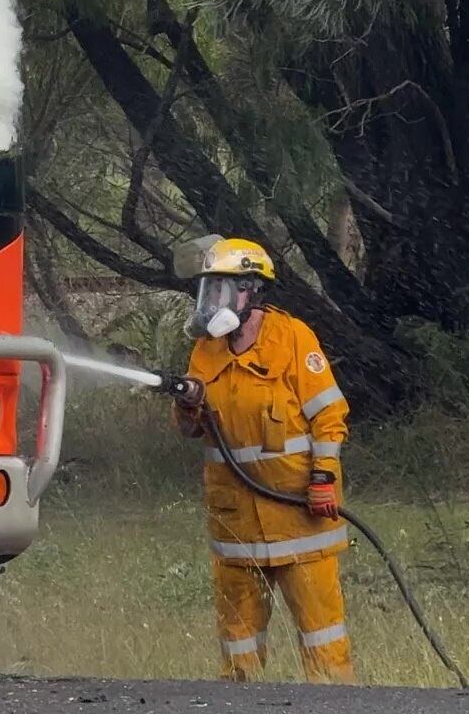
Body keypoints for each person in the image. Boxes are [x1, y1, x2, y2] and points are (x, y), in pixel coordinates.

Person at [171, 237, 355, 684]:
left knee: (323, 641)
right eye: (207, 291)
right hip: (236, 526)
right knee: (239, 651)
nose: (211, 301)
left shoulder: (292, 339)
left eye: (220, 290)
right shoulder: (206, 351)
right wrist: (187, 403)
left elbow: (330, 418)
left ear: (250, 291)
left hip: (299, 519)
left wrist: (324, 479)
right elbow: (191, 431)